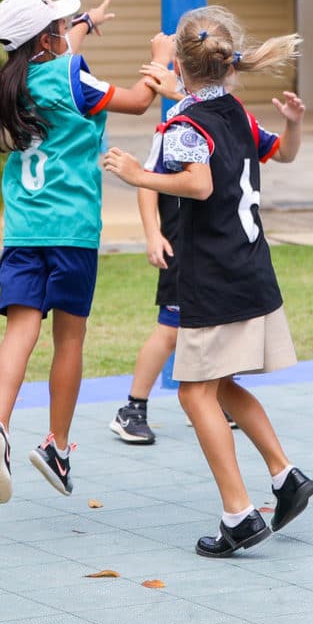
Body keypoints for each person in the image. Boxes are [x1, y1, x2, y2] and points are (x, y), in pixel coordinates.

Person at [100, 6, 313, 558]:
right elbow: (285, 153)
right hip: (251, 267)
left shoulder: (186, 125)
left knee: (195, 393)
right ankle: (285, 475)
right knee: (219, 386)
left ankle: (238, 514)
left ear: (180, 64)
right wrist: (293, 123)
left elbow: (197, 185)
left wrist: (137, 175)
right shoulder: (233, 112)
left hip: (214, 277)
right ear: (226, 64)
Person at [0, 0, 168, 504]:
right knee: (69, 339)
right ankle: (56, 447)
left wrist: (85, 23)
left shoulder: (12, 83)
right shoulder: (71, 77)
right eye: (58, 23)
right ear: (44, 39)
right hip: (72, 230)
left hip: (24, 230)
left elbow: (58, 54)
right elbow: (138, 101)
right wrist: (160, 61)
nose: (65, 28)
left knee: (20, 330)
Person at [109, 58, 190, 446]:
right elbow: (146, 182)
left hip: (214, 248)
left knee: (216, 327)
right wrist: (153, 234)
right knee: (170, 330)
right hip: (180, 244)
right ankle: (132, 409)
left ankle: (216, 398)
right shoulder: (174, 126)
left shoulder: (224, 117)